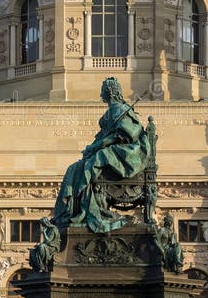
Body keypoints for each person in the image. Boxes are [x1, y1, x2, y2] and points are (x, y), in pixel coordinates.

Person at [52, 77, 150, 233]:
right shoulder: (111, 112)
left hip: (126, 152)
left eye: (102, 90)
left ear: (109, 92)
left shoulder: (119, 109)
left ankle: (85, 210)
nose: (100, 93)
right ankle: (72, 211)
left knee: (92, 163)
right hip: (112, 150)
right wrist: (91, 147)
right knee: (74, 168)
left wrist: (98, 145)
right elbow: (102, 136)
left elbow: (125, 135)